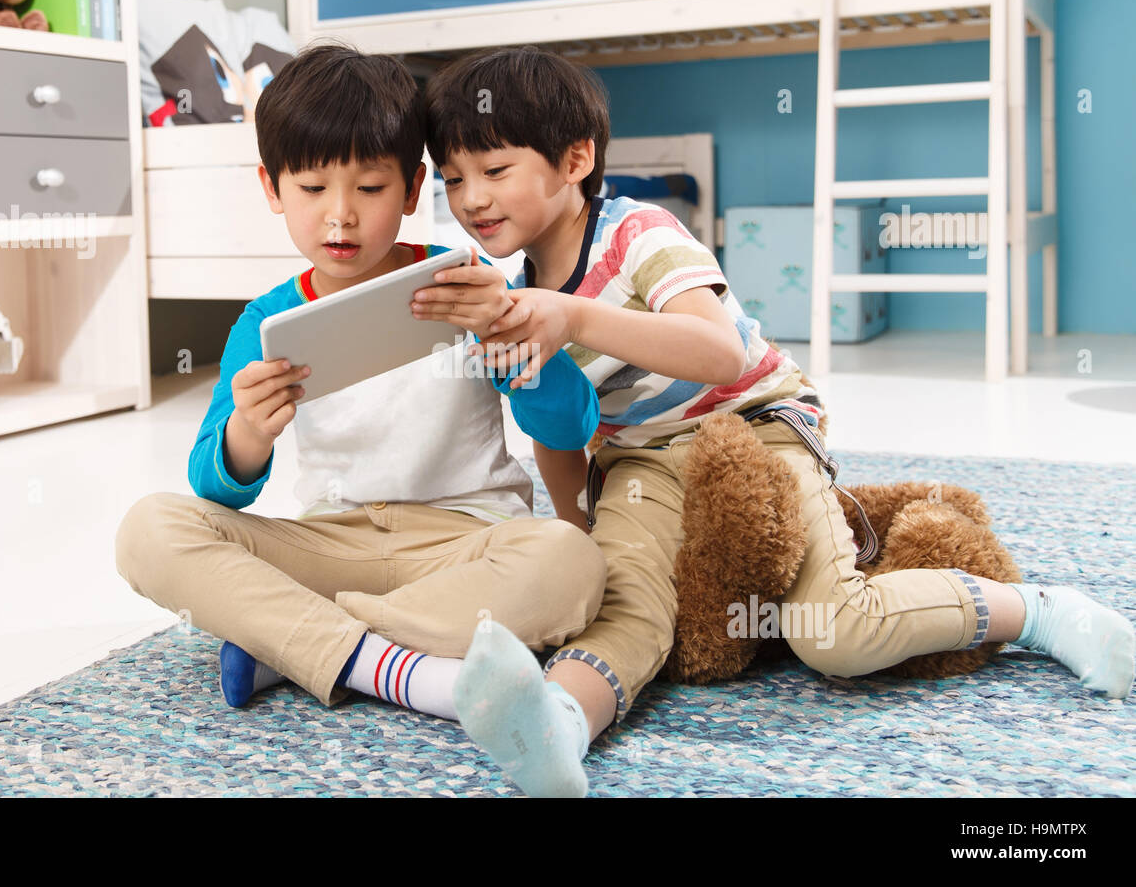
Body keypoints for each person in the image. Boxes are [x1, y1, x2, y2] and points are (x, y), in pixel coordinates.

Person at [416, 44, 1136, 797]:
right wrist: (580, 532)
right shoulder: (512, 294)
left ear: (574, 159)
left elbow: (719, 354)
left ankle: (1038, 612)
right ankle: (561, 721)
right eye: (453, 178)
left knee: (835, 633)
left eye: (494, 171)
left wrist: (573, 315)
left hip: (753, 423)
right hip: (639, 463)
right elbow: (555, 424)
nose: (470, 198)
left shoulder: (640, 235)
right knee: (625, 611)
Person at [115, 42, 606, 729]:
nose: (340, 216)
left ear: (411, 191)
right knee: (148, 530)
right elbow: (219, 487)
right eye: (312, 189)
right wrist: (248, 435)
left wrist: (508, 339)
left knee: (569, 560)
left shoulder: (465, 286)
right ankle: (401, 666)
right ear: (271, 189)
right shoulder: (265, 321)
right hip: (332, 545)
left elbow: (569, 426)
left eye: (370, 189)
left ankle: (300, 643)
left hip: (465, 541)